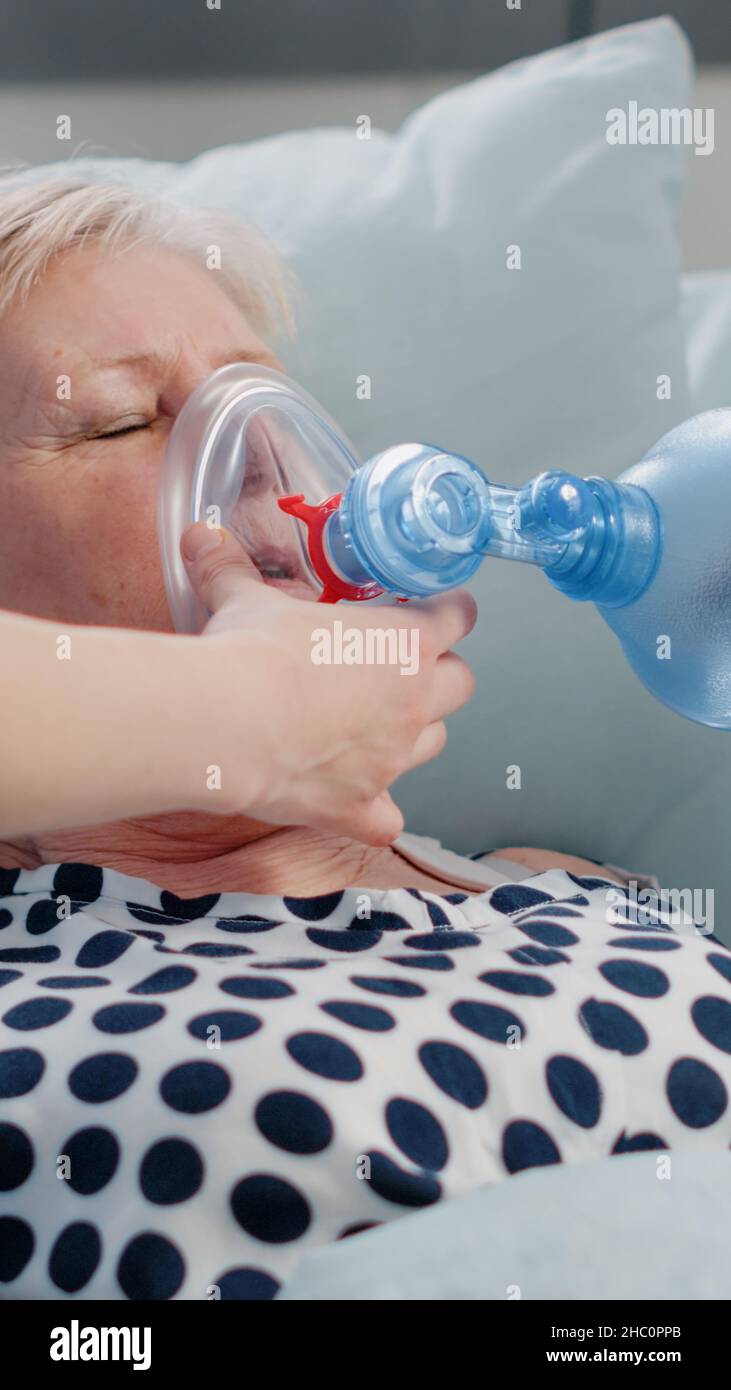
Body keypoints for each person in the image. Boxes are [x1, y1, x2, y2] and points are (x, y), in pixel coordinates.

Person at [2, 175, 727, 1305]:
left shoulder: (556, 890)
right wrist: (224, 715)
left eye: (261, 395)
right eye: (122, 420)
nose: (258, 455)